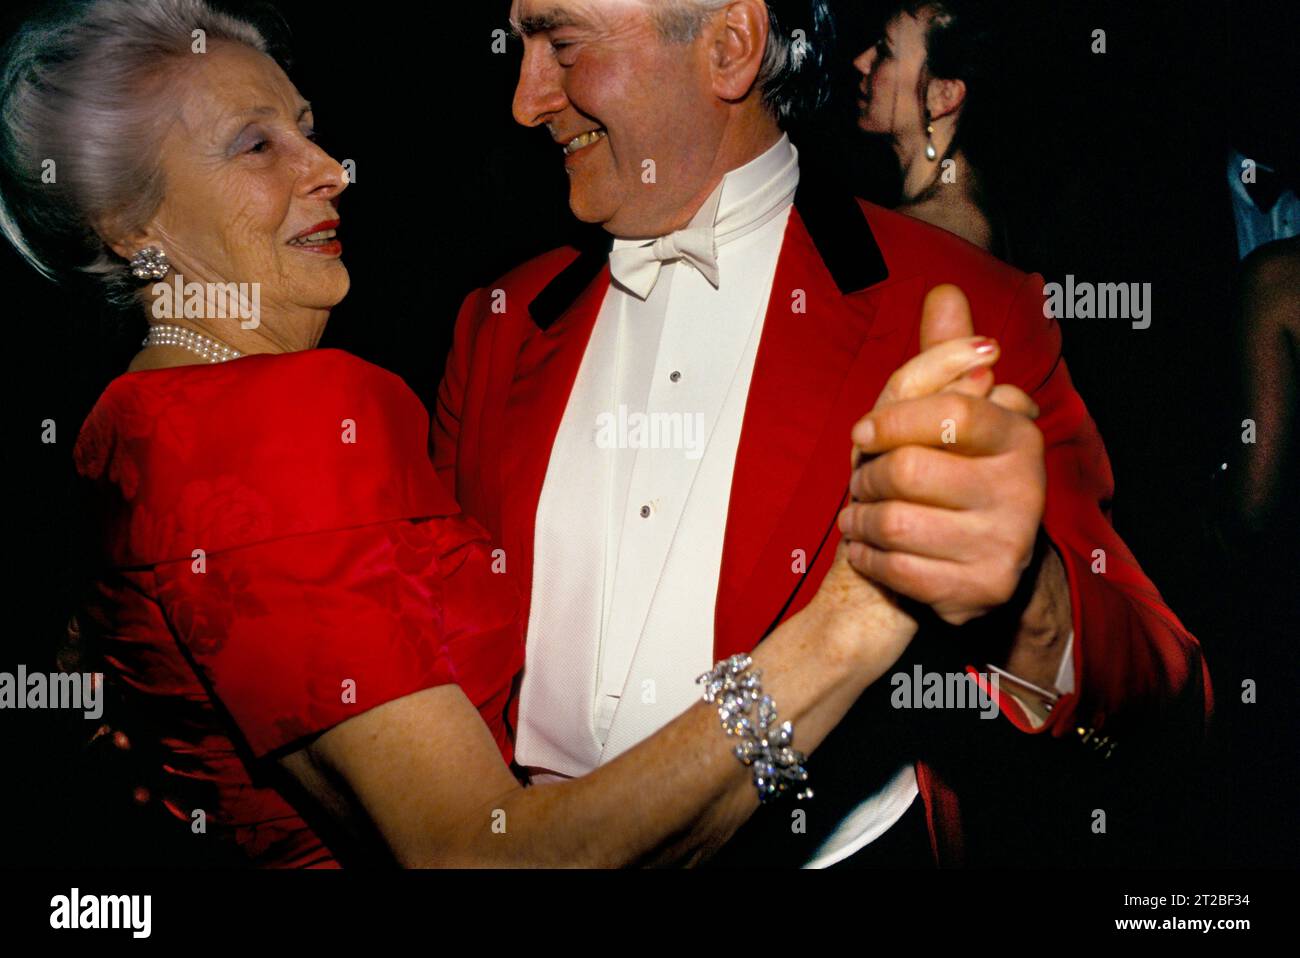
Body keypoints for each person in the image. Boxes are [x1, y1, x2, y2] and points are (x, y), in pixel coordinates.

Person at [0, 0, 947, 868]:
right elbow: (479, 859)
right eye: (256, 147)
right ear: (131, 224)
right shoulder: (266, 423)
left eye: (309, 130)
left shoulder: (131, 420)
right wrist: (855, 618)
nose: (328, 170)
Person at [435, 0, 1212, 866]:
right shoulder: (495, 325)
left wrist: (1031, 601)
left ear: (730, 47)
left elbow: (1166, 702)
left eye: (563, 43)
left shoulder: (958, 301)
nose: (526, 99)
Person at [852, 0, 1008, 256]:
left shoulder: (921, 235)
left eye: (885, 50)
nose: (861, 62)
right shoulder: (975, 205)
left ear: (943, 95)